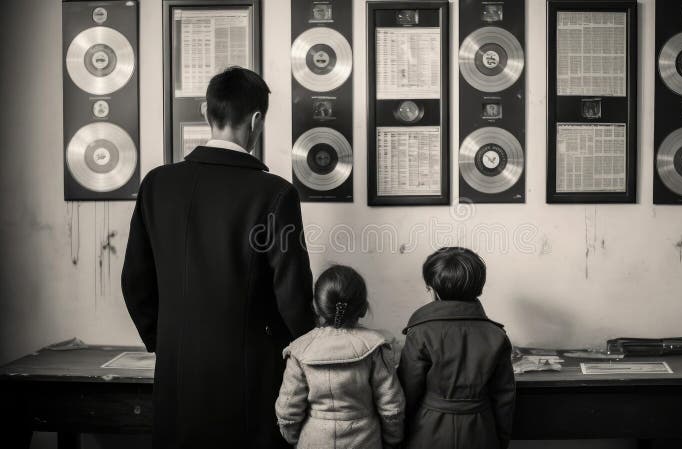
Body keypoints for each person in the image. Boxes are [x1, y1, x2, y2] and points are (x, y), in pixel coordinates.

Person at [121, 67, 315, 449]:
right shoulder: (275, 194)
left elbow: (135, 282)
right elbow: (292, 294)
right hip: (250, 378)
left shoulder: (157, 185)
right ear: (257, 120)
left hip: (177, 373)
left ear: (206, 112)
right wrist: (308, 351)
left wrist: (167, 340)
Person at [275, 265, 405, 449]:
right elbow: (392, 407)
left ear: (316, 307)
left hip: (313, 441)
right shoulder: (376, 348)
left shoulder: (299, 351)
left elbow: (287, 412)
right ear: (363, 308)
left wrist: (299, 440)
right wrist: (392, 440)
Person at [398, 247, 516, 449]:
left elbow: (407, 394)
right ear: (479, 288)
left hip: (427, 431)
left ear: (432, 290)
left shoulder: (420, 332)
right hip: (481, 431)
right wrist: (500, 440)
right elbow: (505, 399)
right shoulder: (497, 336)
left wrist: (400, 437)